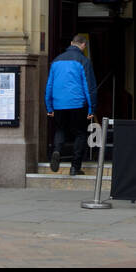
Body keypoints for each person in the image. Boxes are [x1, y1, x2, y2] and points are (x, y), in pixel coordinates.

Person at [45, 34, 95, 176]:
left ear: (71, 43)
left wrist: (49, 107)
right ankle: (75, 167)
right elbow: (89, 86)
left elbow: (49, 86)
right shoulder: (83, 61)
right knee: (80, 133)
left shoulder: (56, 61)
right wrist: (92, 108)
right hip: (77, 104)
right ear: (83, 45)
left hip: (58, 104)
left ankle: (57, 151)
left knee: (60, 130)